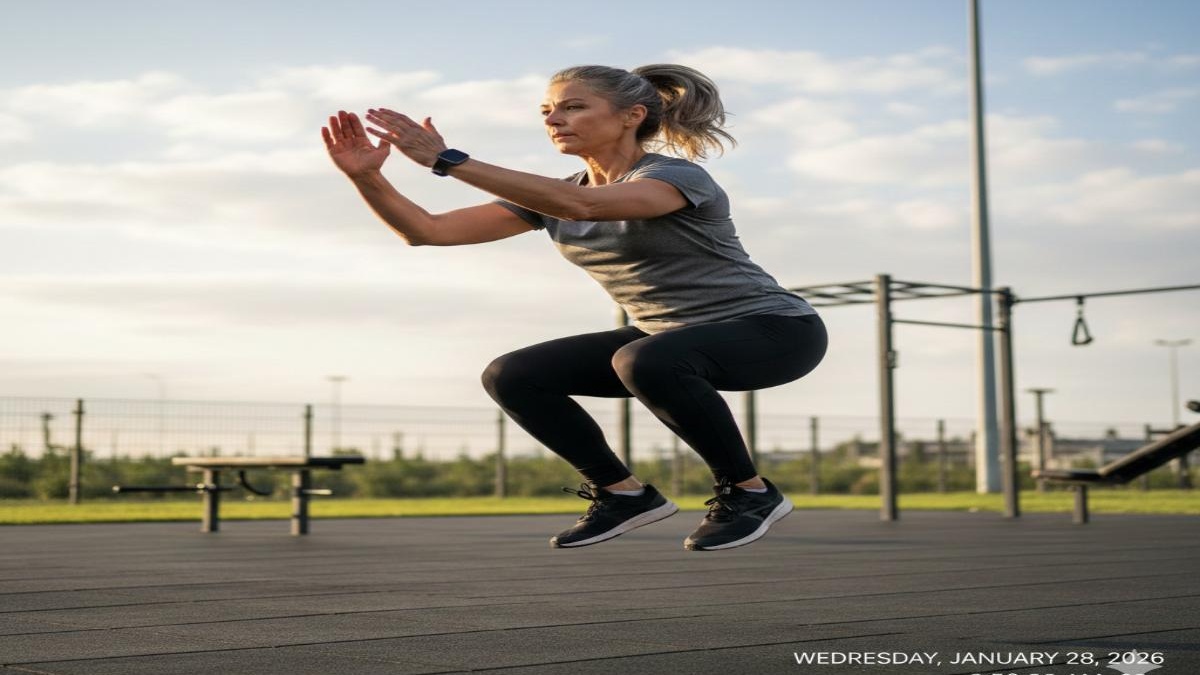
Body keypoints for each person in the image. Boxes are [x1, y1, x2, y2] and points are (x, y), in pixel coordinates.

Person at [321, 64, 827, 551]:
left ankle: (749, 492)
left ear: (631, 116)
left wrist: (448, 160)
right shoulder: (554, 195)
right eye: (546, 111)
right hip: (665, 340)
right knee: (513, 375)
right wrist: (366, 177)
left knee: (644, 359)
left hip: (775, 331)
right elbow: (428, 231)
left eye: (573, 107)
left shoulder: (674, 176)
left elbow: (586, 206)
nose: (554, 120)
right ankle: (622, 494)